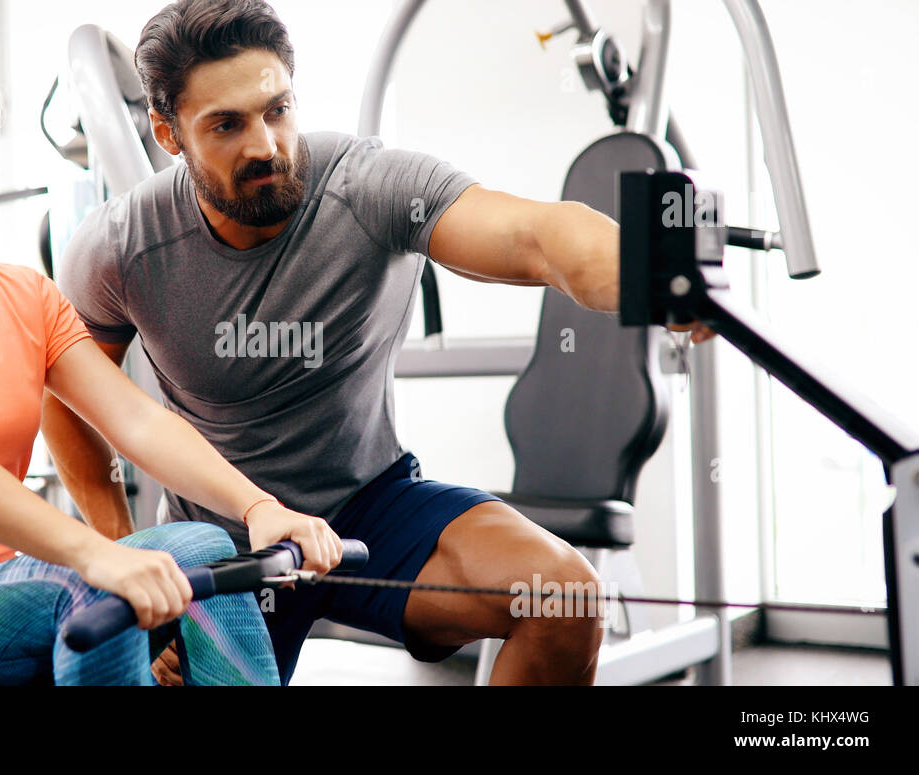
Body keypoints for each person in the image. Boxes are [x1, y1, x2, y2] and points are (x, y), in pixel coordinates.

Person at [45, 0, 714, 686]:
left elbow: (534, 235)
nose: (265, 146)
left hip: (372, 509)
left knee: (562, 597)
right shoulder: (121, 246)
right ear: (168, 133)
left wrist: (647, 275)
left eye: (276, 109)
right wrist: (125, 554)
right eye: (226, 125)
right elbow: (65, 391)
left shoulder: (363, 186)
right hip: (224, 544)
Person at [0, 46, 343, 686]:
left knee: (205, 547)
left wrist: (258, 509)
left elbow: (135, 420)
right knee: (96, 589)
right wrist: (97, 556)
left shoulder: (26, 295)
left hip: (7, 603)